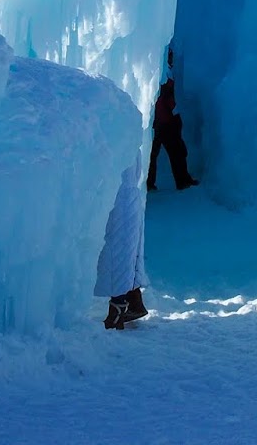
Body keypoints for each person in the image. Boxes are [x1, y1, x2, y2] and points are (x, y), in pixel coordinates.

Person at [95, 149, 150, 329]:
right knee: (127, 257)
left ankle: (117, 312)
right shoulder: (129, 145)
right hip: (128, 201)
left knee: (118, 258)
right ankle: (134, 302)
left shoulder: (119, 145)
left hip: (120, 203)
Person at [146, 46, 198, 192]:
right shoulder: (164, 73)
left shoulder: (161, 71)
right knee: (176, 151)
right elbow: (167, 98)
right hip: (165, 121)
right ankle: (181, 180)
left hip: (158, 122)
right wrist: (175, 113)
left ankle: (152, 183)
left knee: (159, 153)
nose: (172, 59)